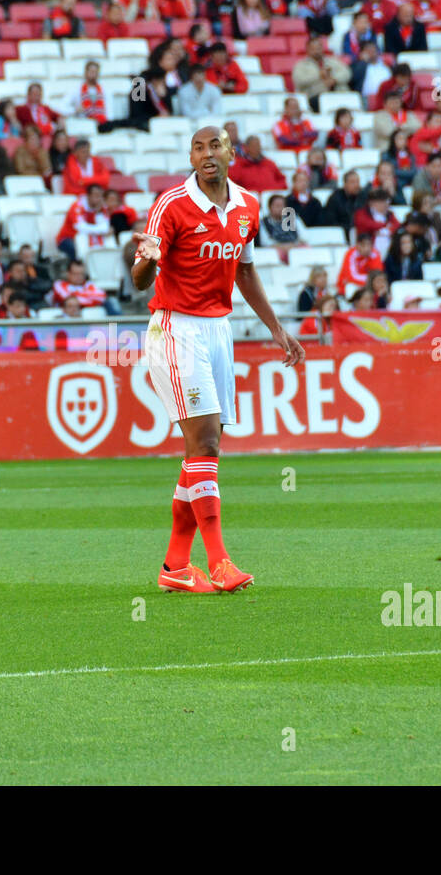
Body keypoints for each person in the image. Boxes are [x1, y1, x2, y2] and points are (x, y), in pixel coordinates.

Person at [131, 125, 304, 595]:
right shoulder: (171, 205)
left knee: (202, 452)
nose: (206, 154)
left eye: (215, 146)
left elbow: (244, 270)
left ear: (231, 153)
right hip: (175, 327)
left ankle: (174, 567)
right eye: (198, 148)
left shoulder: (247, 206)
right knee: (205, 444)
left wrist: (276, 328)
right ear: (191, 155)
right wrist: (146, 258)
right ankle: (220, 562)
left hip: (218, 330)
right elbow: (141, 279)